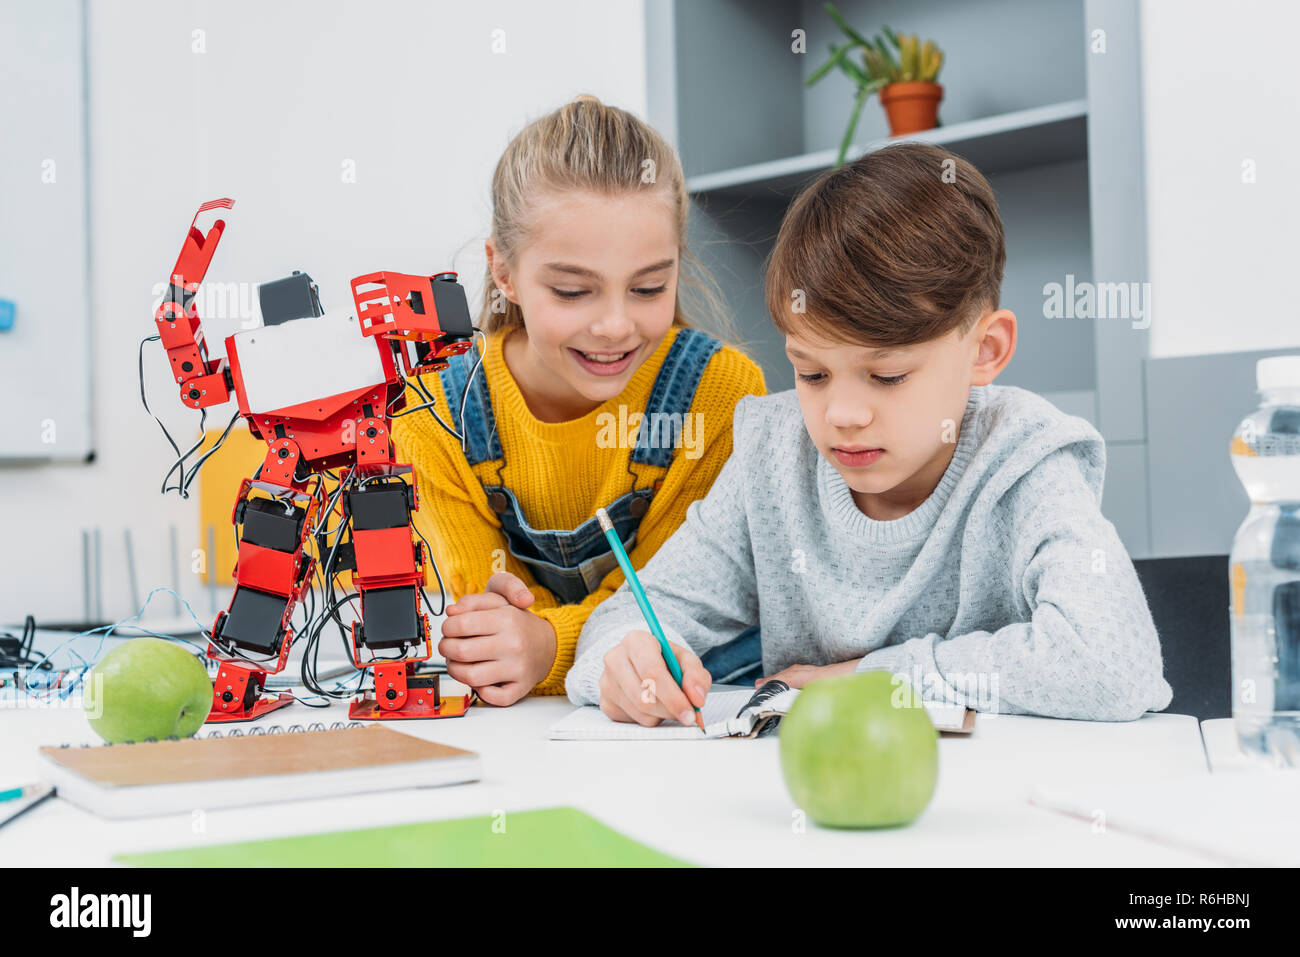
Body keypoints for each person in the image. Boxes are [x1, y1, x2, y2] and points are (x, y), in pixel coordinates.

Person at [566, 141, 1173, 725]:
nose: (841, 415)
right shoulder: (773, 455)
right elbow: (624, 622)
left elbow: (1115, 664)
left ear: (985, 350)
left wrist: (878, 678)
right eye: (813, 372)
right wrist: (628, 662)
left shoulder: (1025, 458)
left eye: (886, 375)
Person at [392, 95, 765, 706]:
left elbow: (681, 599)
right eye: (572, 291)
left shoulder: (720, 395)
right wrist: (520, 644)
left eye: (649, 287)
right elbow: (480, 614)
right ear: (504, 272)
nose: (616, 325)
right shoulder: (431, 409)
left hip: (686, 702)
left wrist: (545, 645)